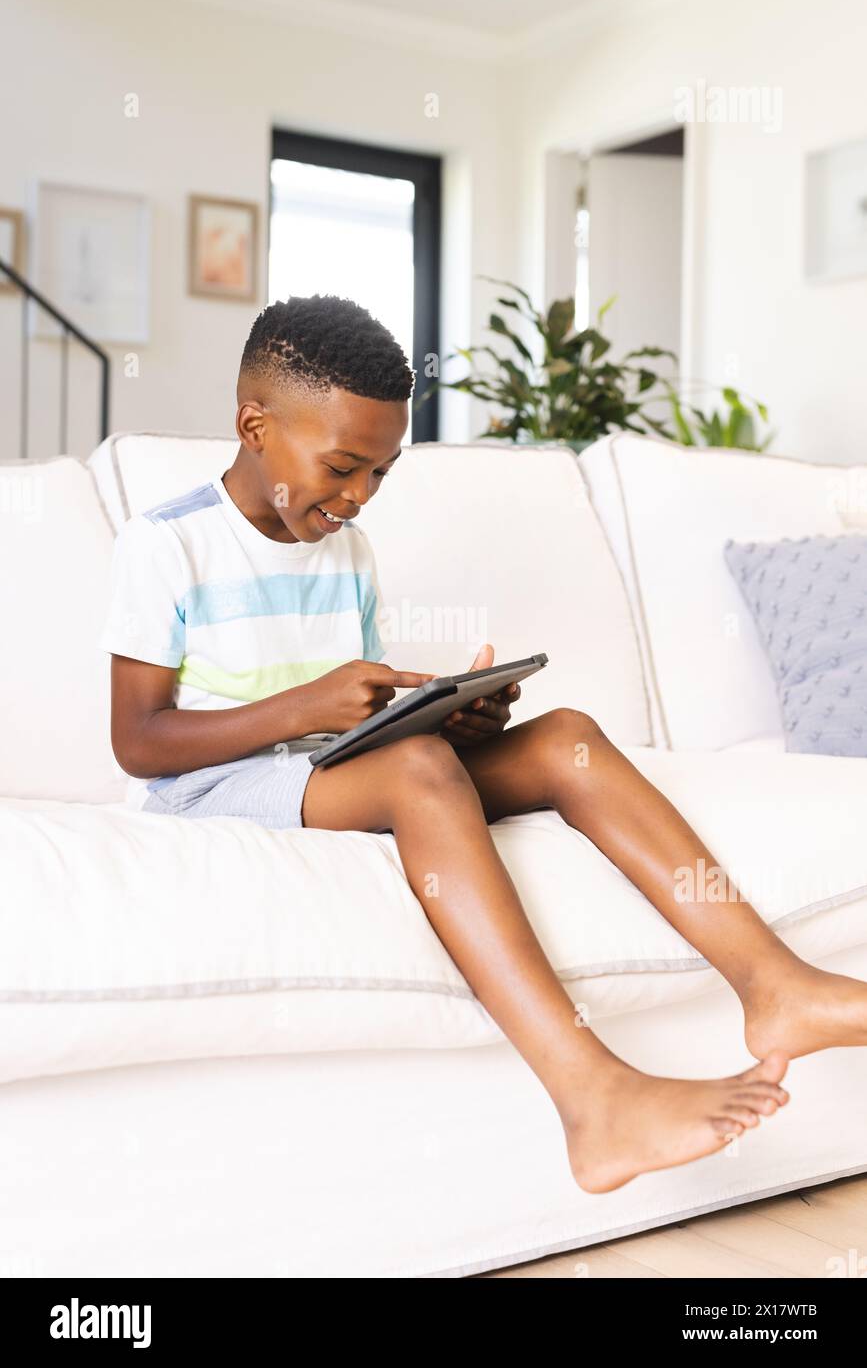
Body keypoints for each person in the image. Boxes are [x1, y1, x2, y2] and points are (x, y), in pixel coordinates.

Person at [100, 294, 867, 1194]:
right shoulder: (167, 545)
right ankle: (592, 1098)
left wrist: (442, 714)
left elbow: (350, 716)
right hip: (208, 788)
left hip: (326, 771)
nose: (356, 498)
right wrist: (302, 706)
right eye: (342, 466)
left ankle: (777, 987)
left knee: (564, 739)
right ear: (254, 425)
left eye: (379, 475)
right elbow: (139, 742)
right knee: (418, 769)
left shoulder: (348, 551)